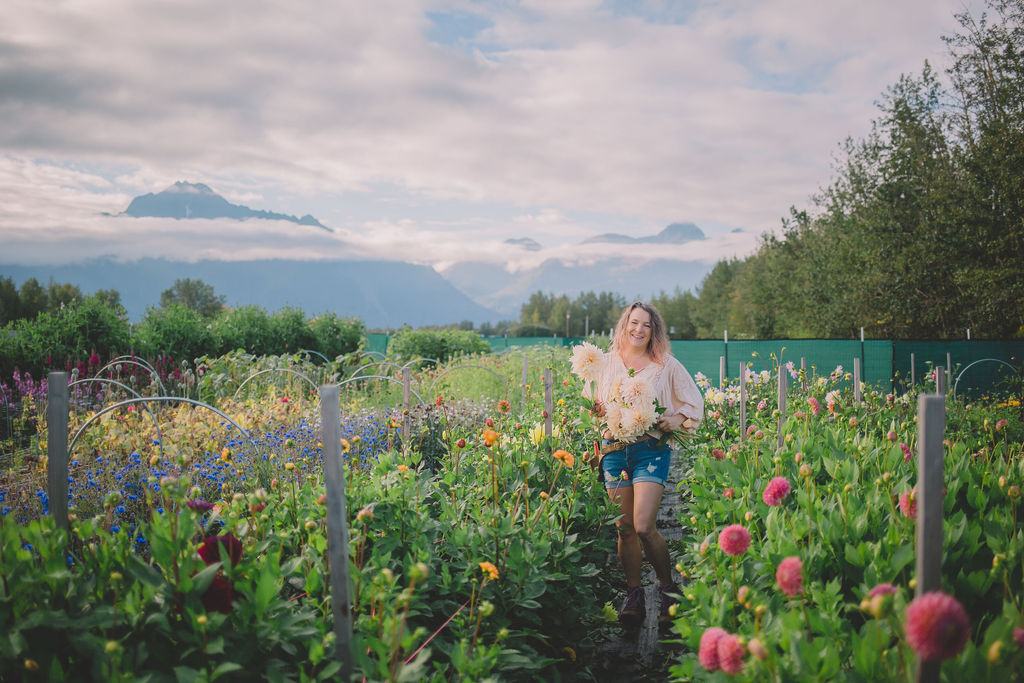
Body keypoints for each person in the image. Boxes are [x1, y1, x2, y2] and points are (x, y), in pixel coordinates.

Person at [586, 301, 703, 627]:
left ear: (654, 331)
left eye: (646, 325)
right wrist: (598, 414)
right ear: (624, 326)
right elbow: (595, 407)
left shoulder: (665, 365)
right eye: (633, 323)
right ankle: (634, 594)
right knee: (624, 528)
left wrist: (676, 417)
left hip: (650, 450)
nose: (638, 330)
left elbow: (694, 402)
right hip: (613, 451)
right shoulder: (605, 365)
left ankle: (667, 590)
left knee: (643, 525)